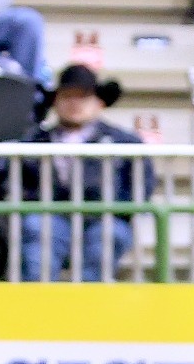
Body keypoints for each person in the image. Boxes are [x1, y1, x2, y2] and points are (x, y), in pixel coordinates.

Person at [18, 64, 150, 282]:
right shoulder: (34, 141)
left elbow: (140, 186)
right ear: (55, 101)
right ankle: (36, 307)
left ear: (99, 102)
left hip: (104, 217)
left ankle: (92, 310)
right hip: (49, 214)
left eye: (83, 97)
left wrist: (113, 209)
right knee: (37, 231)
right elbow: (15, 185)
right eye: (67, 96)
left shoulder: (125, 143)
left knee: (108, 236)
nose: (74, 103)